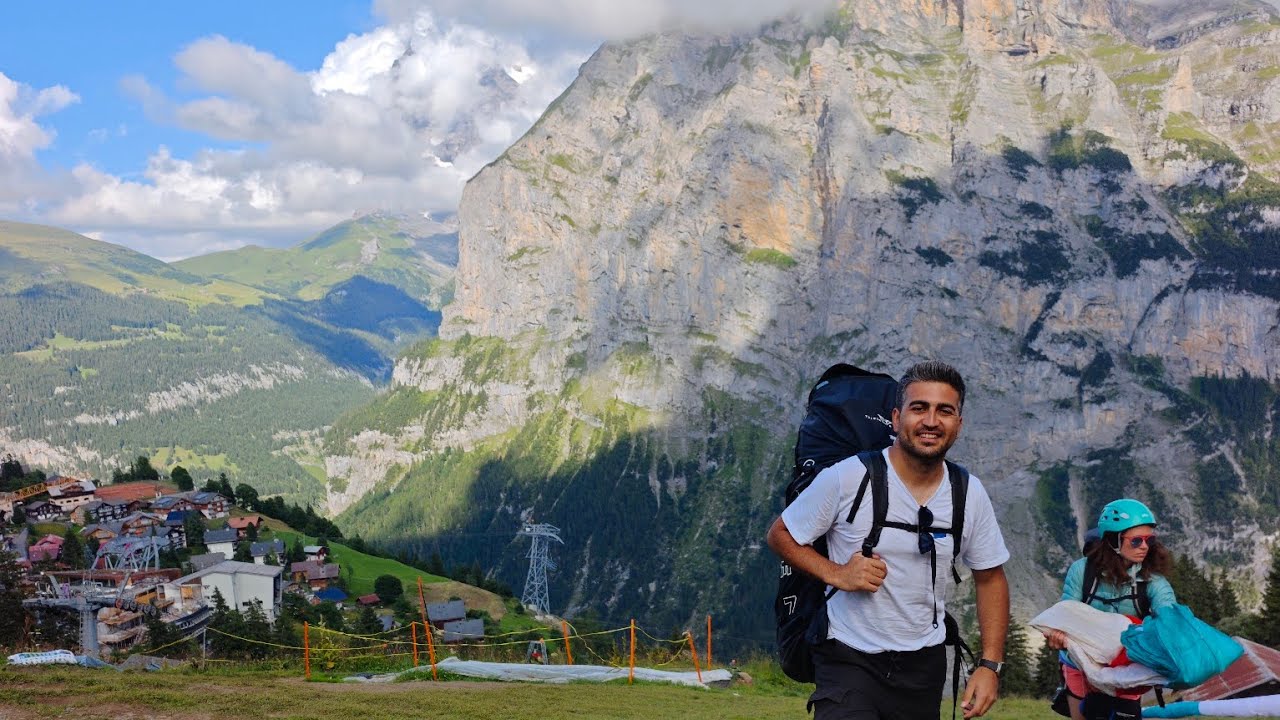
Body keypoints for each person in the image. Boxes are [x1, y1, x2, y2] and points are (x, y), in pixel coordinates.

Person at [767, 360, 1011, 720]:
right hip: (847, 657)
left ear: (958, 424)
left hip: (923, 667)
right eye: (919, 408)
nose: (930, 421)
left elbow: (990, 576)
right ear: (896, 419)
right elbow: (781, 534)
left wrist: (990, 665)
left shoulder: (967, 492)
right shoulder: (849, 477)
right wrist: (837, 574)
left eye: (945, 410)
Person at [1044, 499, 1176, 720]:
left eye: (1149, 540)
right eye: (1136, 541)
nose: (1145, 546)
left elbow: (1169, 616)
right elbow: (1066, 615)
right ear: (1113, 540)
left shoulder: (1154, 581)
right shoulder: (1082, 571)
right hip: (1080, 662)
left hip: (1126, 666)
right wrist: (1057, 635)